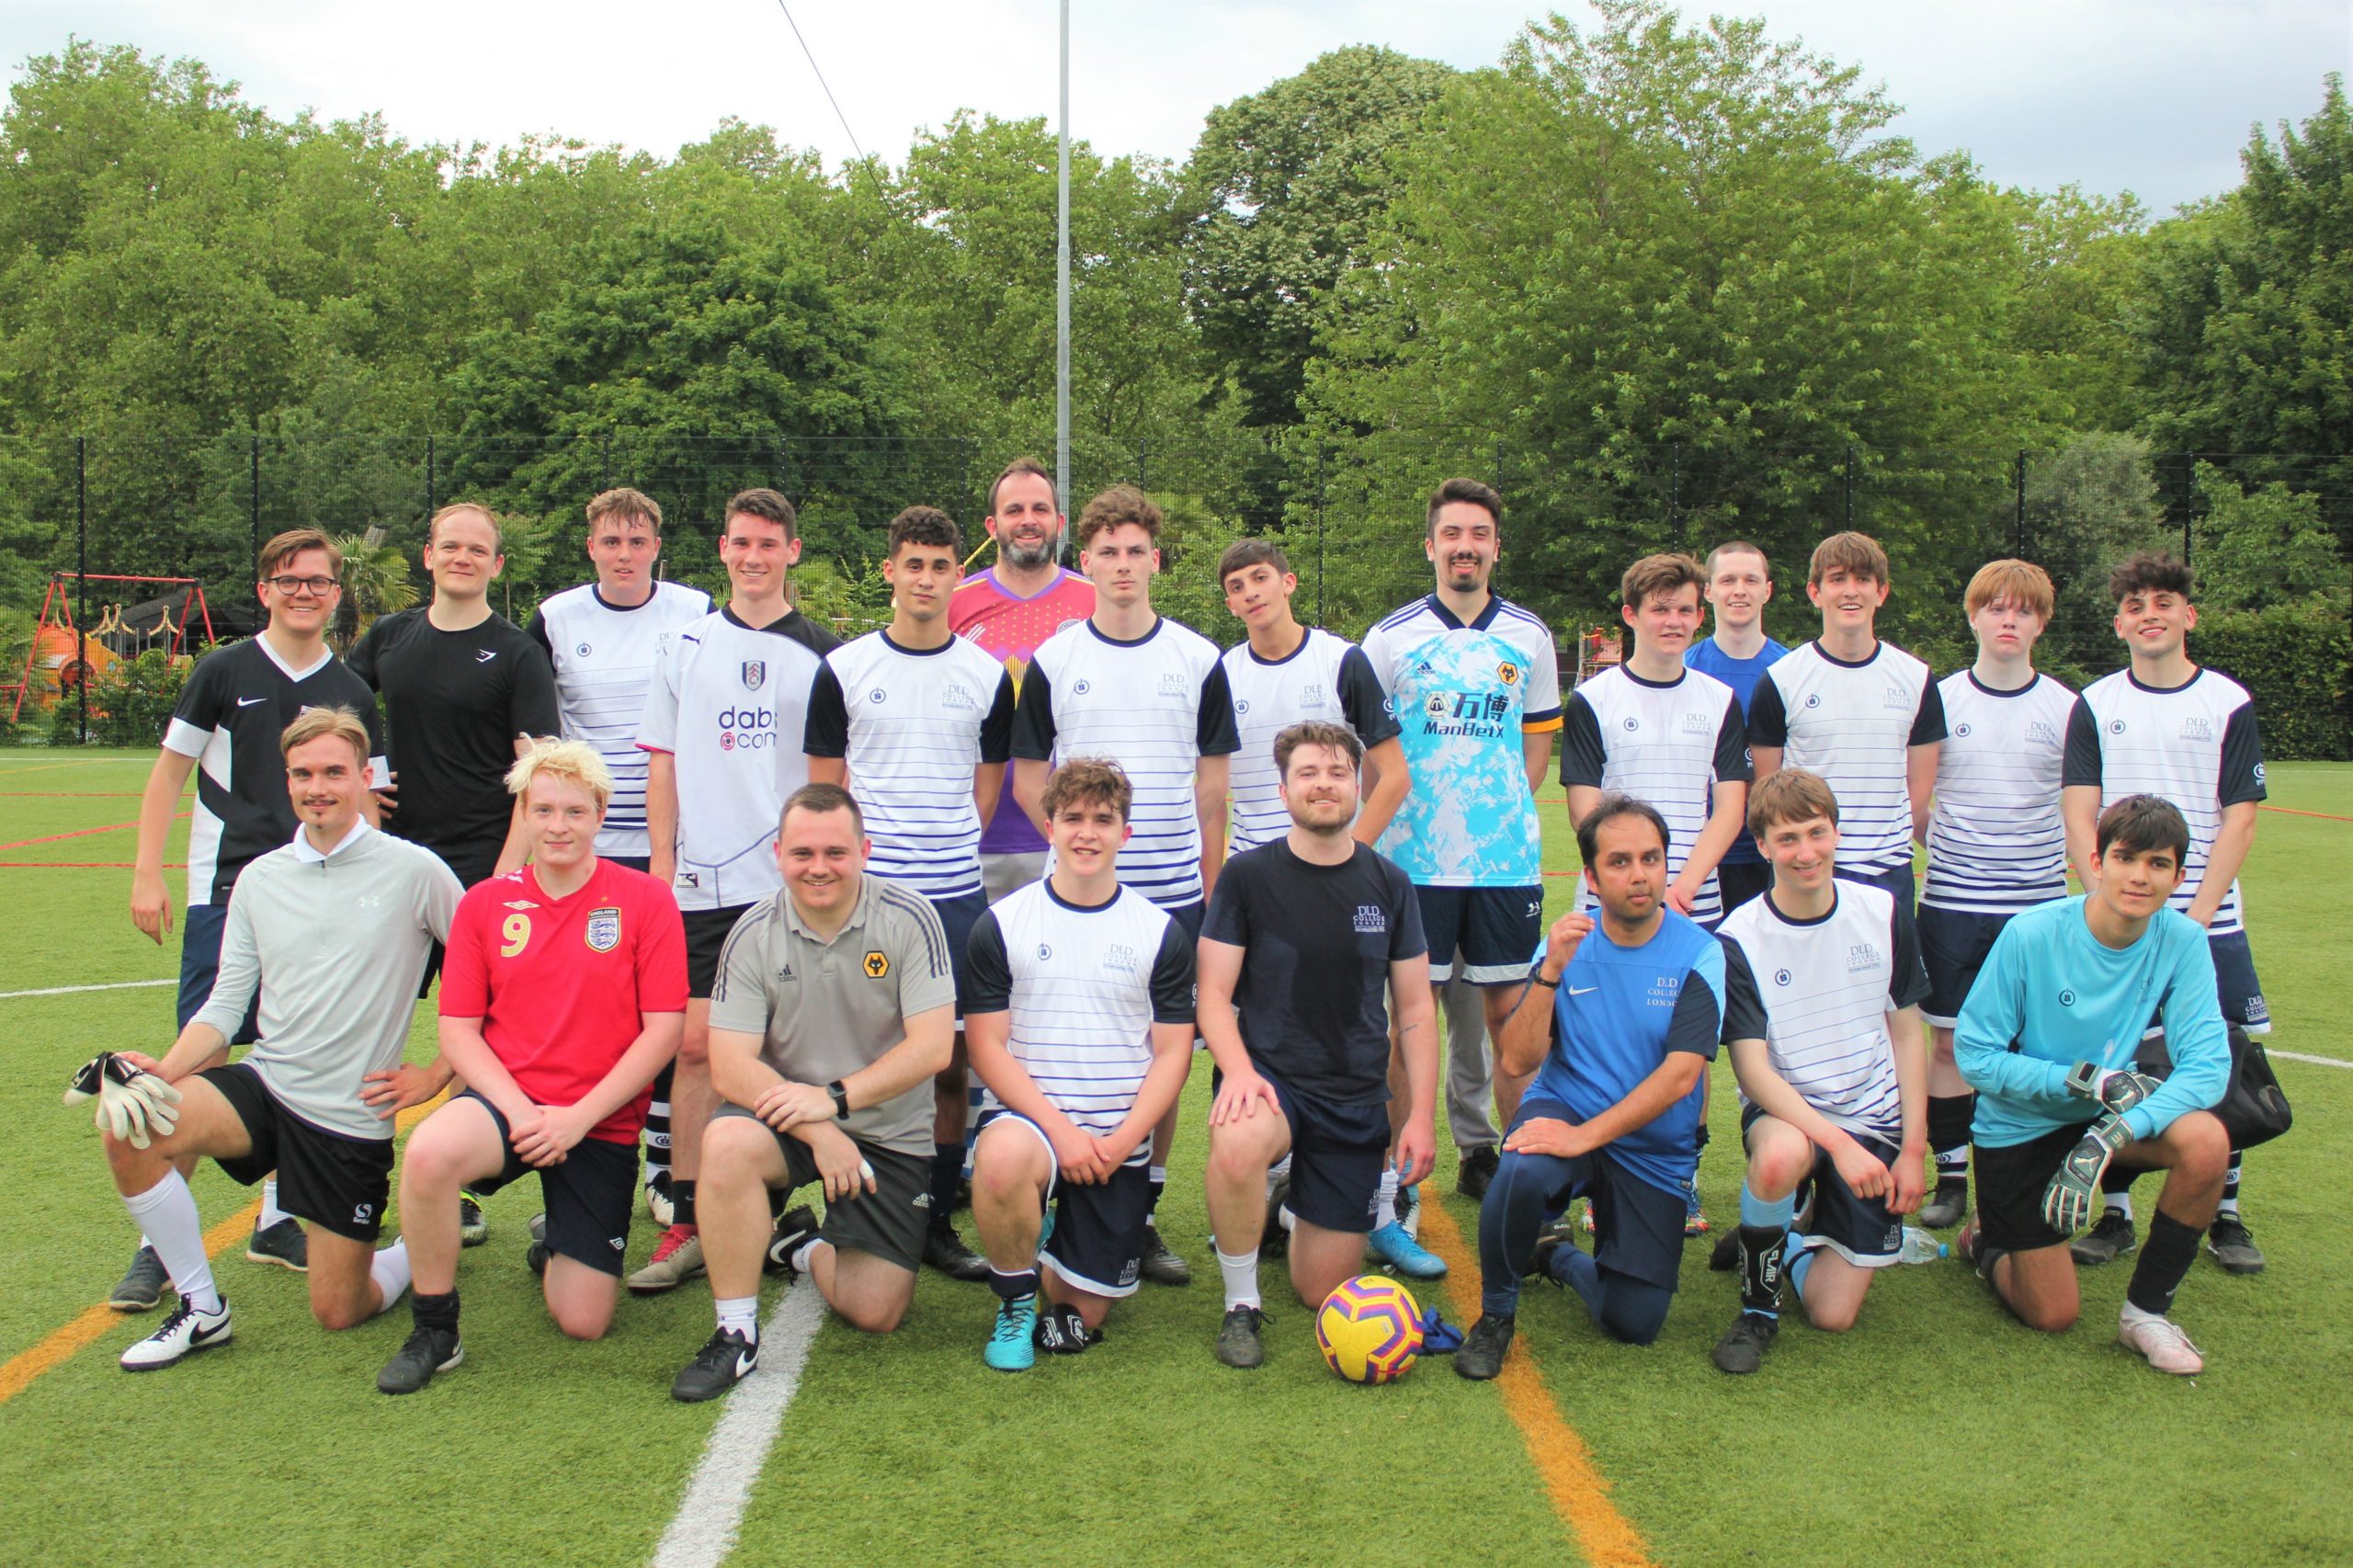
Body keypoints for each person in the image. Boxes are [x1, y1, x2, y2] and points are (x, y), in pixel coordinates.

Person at [96, 707, 459, 1370]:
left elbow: (488, 978)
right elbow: (225, 1005)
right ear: (286, 780)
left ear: (362, 778)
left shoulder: (416, 871)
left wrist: (436, 1074)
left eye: (333, 772)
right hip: (268, 1084)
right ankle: (203, 1310)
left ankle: (414, 1247)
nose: (317, 787)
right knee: (131, 1126)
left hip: (349, 1115)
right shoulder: (261, 878)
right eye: (302, 773)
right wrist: (163, 1074)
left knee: (339, 1311)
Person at [119, 528, 388, 1303]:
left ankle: (280, 1216)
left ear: (338, 593)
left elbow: (375, 801)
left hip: (323, 898)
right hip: (226, 889)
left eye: (319, 581)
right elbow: (169, 775)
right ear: (266, 589)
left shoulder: (354, 689)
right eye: (288, 580)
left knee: (297, 1052)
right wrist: (149, 872)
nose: (304, 592)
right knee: (199, 1056)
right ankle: (158, 1244)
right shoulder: (222, 670)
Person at [375, 740, 687, 1394]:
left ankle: (560, 1241)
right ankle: (437, 1327)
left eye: (574, 811)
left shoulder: (647, 900)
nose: (558, 826)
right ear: (523, 813)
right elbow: (458, 1030)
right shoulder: (486, 903)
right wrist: (519, 1111)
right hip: (506, 1107)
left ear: (600, 814)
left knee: (584, 1320)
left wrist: (576, 1119)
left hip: (595, 1121)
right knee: (430, 1152)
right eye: (543, 810)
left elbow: (663, 1032)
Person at [1010, 485, 1237, 1287]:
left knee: (1158, 1058)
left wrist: (1211, 892)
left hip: (1169, 893)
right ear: (1086, 562)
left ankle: (1137, 1214)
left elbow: (1214, 790)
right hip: (1070, 897)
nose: (1122, 565)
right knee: (1054, 1040)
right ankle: (1046, 1187)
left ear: (1157, 562)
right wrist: (1075, 855)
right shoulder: (1055, 658)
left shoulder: (1198, 657)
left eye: (1137, 551)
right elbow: (1030, 776)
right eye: (1107, 551)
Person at [668, 785, 957, 1402]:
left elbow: (934, 1048)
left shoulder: (910, 918)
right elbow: (729, 1066)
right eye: (802, 853)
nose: (818, 867)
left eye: (835, 851)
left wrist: (837, 1100)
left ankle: (798, 1245)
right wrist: (820, 1126)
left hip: (885, 1134)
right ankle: (735, 1333)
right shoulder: (752, 932)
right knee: (726, 1141)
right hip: (791, 1120)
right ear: (777, 854)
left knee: (876, 1311)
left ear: (864, 850)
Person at [629, 488, 840, 1295]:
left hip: (797, 881)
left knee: (792, 1048)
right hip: (702, 883)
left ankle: (783, 1203)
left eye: (770, 544)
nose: (755, 557)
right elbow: (663, 760)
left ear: (792, 551)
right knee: (693, 1050)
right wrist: (659, 860)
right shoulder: (684, 644)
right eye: (741, 543)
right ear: (722, 549)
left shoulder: (825, 650)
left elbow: (831, 774)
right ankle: (687, 1214)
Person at [1455, 796, 1741, 1379]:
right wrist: (1551, 970)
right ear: (1590, 875)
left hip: (1652, 1147)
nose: (1639, 875)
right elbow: (1514, 1061)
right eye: (1619, 861)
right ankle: (1495, 1317)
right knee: (1522, 1166)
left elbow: (1681, 1075)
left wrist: (1583, 1138)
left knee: (1633, 1323)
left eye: (1651, 859)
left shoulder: (1701, 953)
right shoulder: (1565, 946)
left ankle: (1555, 1255)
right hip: (1568, 1106)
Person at [806, 505, 1017, 1282]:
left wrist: (941, 849)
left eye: (940, 565)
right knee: (861, 1054)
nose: (926, 578)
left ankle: (931, 1214)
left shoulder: (987, 676)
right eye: (913, 563)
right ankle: (850, 1202)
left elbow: (985, 797)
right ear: (890, 570)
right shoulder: (847, 668)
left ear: (959, 575)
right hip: (868, 902)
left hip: (955, 899)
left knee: (951, 1066)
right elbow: (825, 792)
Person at [1956, 795, 2233, 1375]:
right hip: (2019, 1127)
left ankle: (2145, 1316)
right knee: (2052, 1314)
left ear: (2179, 876)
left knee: (2207, 1141)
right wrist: (2086, 1080)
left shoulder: (2181, 941)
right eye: (2126, 857)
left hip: (2103, 1128)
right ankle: (1986, 1241)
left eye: (2158, 864)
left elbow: (2207, 1066)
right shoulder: (2030, 934)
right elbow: (1974, 1056)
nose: (2139, 876)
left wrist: (2115, 1133)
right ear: (2097, 861)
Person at [1198, 722, 1438, 1368]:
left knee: (1322, 1292)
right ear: (1283, 791)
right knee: (1240, 1139)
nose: (1323, 784)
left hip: (1354, 1095)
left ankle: (1286, 1209)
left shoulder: (1389, 883)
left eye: (1336, 772)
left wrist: (1416, 1117)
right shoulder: (1248, 877)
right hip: (1271, 1078)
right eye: (1308, 773)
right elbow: (1213, 995)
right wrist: (1240, 1072)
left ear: (1358, 785)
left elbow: (1414, 1007)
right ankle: (1241, 1303)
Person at [2062, 551, 2271, 1275]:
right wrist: (2100, 901)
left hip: (2206, 923)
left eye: (2163, 602)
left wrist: (2198, 914)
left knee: (2221, 1064)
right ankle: (2115, 1214)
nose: (2149, 615)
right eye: (2135, 605)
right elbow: (2080, 810)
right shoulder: (2094, 703)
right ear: (2119, 622)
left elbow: (2239, 816)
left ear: (2189, 615)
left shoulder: (2227, 700)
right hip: (2117, 923)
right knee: (2119, 1063)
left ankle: (2226, 1213)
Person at [1215, 537, 1421, 1271]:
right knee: (1254, 1032)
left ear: (1288, 582)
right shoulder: (1223, 673)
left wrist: (1342, 863)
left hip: (1343, 874)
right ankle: (1260, 1194)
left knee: (1371, 1031)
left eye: (1260, 579)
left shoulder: (1341, 661)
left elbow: (1391, 776)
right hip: (1258, 887)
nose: (1250, 595)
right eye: (1236, 587)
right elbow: (1211, 785)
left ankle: (1383, 1202)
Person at [1359, 478, 1562, 1203]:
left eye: (1478, 535)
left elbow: (1533, 756)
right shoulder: (1389, 639)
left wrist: (1489, 816)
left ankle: (1511, 1170)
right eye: (1452, 534)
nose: (1465, 547)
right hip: (1411, 867)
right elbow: (1368, 754)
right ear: (1431, 546)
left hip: (1503, 868)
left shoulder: (1530, 637)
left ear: (1495, 548)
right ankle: (1393, 1179)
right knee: (1408, 1021)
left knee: (1509, 1022)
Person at [964, 760, 1197, 1369]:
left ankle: (1041, 1235)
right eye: (1073, 818)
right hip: (1035, 1127)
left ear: (1126, 832)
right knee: (1003, 1160)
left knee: (1079, 1313)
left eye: (1103, 819)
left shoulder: (1160, 931)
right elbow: (987, 1046)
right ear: (1049, 827)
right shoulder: (1004, 922)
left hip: (1113, 1140)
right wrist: (1060, 1133)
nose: (1087, 832)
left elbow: (1173, 1055)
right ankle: (1014, 1298)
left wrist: (1121, 1142)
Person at [527, 487, 711, 1225]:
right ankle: (584, 1160)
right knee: (589, 1013)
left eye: (637, 542)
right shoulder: (555, 618)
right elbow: (537, 730)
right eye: (611, 542)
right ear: (591, 546)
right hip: (584, 848)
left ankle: (665, 1165)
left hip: (675, 849)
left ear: (657, 547)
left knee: (668, 1011)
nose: (625, 555)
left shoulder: (694, 610)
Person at [1708, 769, 1930, 1374]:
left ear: (1835, 831)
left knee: (1834, 1315)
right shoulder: (1738, 938)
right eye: (1787, 839)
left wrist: (1912, 1149)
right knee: (1778, 1157)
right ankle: (1759, 1306)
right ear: (1762, 846)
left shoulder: (1882, 911)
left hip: (1875, 1115)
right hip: (1790, 1111)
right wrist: (1835, 1143)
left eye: (1816, 833)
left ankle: (1780, 1234)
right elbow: (1753, 1072)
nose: (1805, 853)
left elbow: (1909, 1032)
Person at [1564, 551, 1750, 1239]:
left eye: (1683, 610)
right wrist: (1630, 882)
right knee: (1611, 1046)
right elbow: (1587, 809)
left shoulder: (1720, 700)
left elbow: (1729, 807)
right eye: (1659, 608)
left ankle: (1684, 1175)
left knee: (1687, 1052)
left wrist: (1683, 887)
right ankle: (1602, 1174)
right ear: (1631, 615)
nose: (1672, 621)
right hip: (1613, 909)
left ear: (1697, 617)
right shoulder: (1594, 700)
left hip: (1690, 908)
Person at [1915, 561, 2075, 1230]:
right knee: (1949, 1045)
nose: (2009, 621)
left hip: (2039, 906)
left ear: (2041, 621)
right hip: (1953, 899)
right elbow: (1917, 802)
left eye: (2023, 611)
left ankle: (2019, 1179)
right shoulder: (1941, 699)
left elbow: (2081, 806)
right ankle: (1951, 1176)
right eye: (1996, 608)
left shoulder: (2067, 707)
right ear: (1973, 615)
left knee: (2029, 1049)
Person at [348, 501, 561, 892]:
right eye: (450, 547)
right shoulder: (387, 636)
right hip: (395, 850)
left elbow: (538, 775)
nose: (462, 558)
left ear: (496, 565)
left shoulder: (520, 653)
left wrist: (506, 873)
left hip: (479, 855)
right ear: (429, 556)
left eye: (477, 550)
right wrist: (366, 781)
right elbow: (335, 720)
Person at [1746, 531, 1944, 909]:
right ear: (1816, 593)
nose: (1850, 591)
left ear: (1881, 592)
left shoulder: (1916, 678)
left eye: (1862, 580)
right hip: (1808, 869)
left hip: (1889, 871)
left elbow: (1918, 790)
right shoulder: (1781, 680)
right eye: (1838, 579)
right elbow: (1769, 792)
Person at [949, 458, 1096, 903]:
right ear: (992, 525)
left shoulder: (1096, 601)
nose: (1028, 521)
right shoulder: (953, 603)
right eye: (1014, 510)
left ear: (1060, 521)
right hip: (970, 838)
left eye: (1040, 509)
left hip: (1066, 839)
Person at [1683, 540, 1787, 917]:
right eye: (1727, 580)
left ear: (1767, 590)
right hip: (1697, 855)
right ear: (1708, 591)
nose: (1739, 590)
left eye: (1750, 580)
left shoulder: (1791, 672)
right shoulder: (1683, 669)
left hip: (1773, 852)